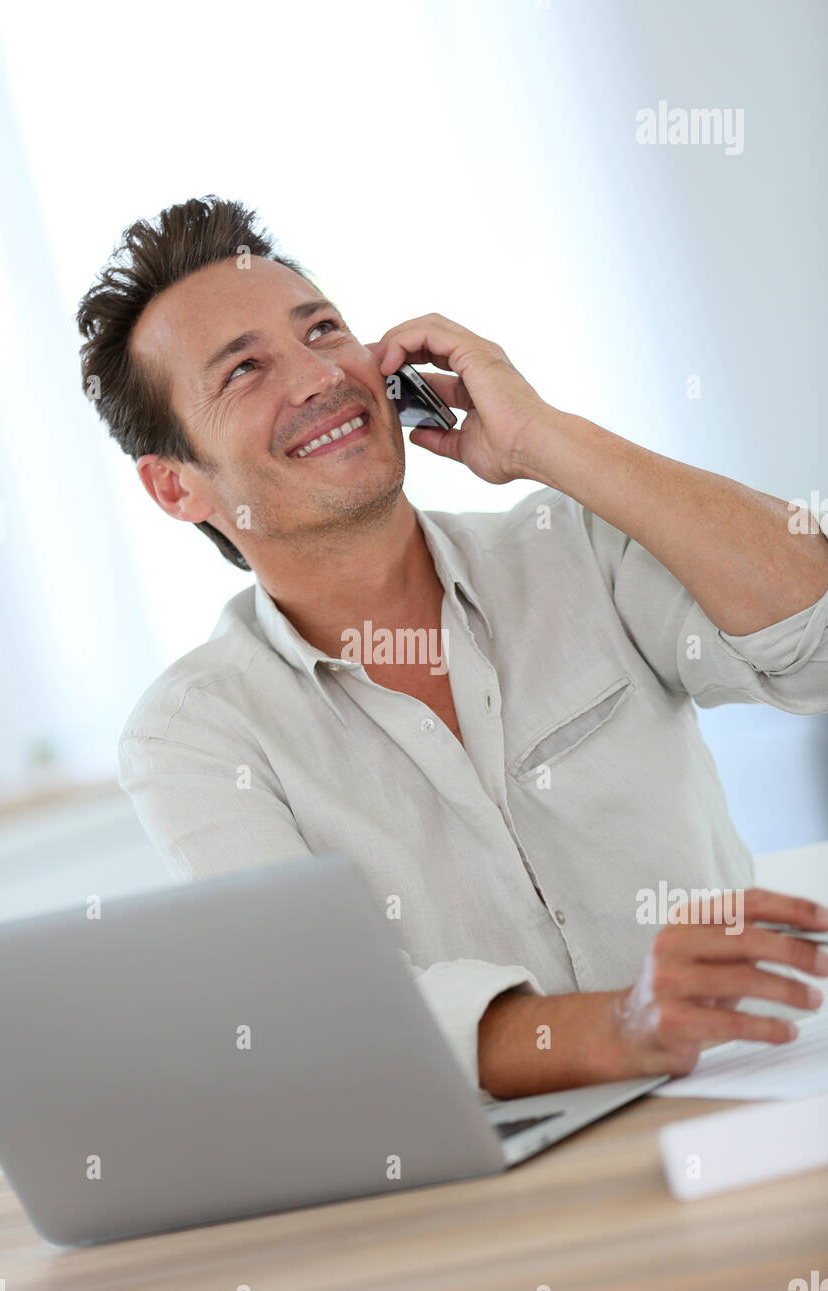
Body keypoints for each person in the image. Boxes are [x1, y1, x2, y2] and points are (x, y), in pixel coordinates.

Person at [77, 196, 828, 1101]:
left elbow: (811, 637)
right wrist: (627, 1024)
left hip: (756, 1104)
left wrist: (543, 439)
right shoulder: (194, 737)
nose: (318, 376)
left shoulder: (574, 549)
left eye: (323, 330)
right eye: (243, 371)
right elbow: (336, 1018)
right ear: (173, 486)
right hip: (500, 1184)